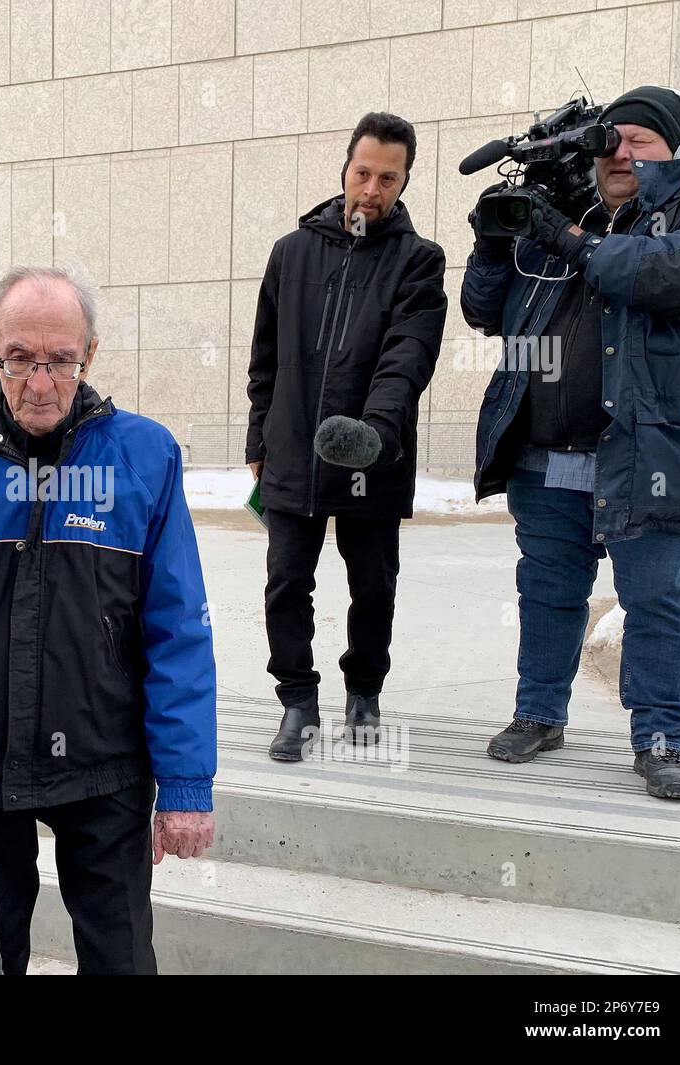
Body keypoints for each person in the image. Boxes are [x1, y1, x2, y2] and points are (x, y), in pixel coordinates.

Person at [0, 266, 217, 975]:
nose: (39, 383)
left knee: (122, 959)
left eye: (60, 361)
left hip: (106, 767)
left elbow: (179, 626)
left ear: (90, 355)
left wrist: (187, 785)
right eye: (19, 360)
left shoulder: (144, 455)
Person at [463, 86, 680, 800]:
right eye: (612, 139)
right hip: (546, 452)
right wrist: (492, 243)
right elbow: (484, 310)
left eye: (642, 142)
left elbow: (675, 274)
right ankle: (539, 712)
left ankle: (661, 734)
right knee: (545, 588)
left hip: (652, 453)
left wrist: (569, 238)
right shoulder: (562, 210)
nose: (620, 153)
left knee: (656, 595)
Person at [246, 112, 447, 762]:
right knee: (285, 583)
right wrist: (258, 440)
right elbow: (265, 360)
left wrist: (374, 431)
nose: (372, 188)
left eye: (388, 177)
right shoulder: (291, 252)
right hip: (293, 451)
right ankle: (298, 703)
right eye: (364, 172)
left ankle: (364, 690)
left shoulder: (419, 262)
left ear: (404, 181)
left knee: (374, 583)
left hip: (372, 456)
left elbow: (406, 358)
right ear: (345, 169)